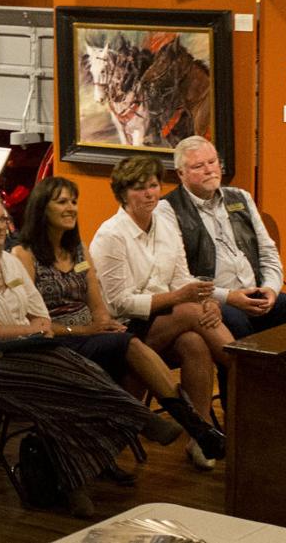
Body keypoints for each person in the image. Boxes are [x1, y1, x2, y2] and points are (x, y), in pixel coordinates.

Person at [0, 193, 184, 518]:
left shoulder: (7, 261)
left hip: (25, 355)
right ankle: (137, 419)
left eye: (1, 219)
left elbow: (39, 314)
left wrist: (32, 330)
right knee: (62, 383)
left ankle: (75, 482)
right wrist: (28, 330)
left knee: (67, 378)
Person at [14, 175, 226, 460]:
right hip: (59, 341)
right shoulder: (24, 255)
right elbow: (35, 324)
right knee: (133, 344)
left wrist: (102, 322)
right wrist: (88, 329)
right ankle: (187, 423)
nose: (71, 208)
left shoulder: (77, 249)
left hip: (94, 332)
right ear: (41, 208)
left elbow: (97, 302)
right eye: (62, 202)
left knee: (190, 342)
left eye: (74, 202)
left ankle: (122, 446)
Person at [89, 156, 237, 471]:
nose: (149, 194)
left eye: (154, 186)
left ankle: (200, 438)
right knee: (187, 311)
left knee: (194, 343)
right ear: (123, 194)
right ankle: (242, 367)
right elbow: (118, 303)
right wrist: (183, 298)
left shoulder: (166, 224)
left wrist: (206, 300)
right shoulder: (111, 235)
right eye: (139, 189)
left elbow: (182, 277)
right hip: (125, 329)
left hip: (170, 319)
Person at [158, 136, 286, 339]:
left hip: (256, 292)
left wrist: (271, 289)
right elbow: (178, 278)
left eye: (212, 162)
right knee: (237, 323)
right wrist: (229, 297)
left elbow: (268, 251)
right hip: (215, 301)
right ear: (181, 174)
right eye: (198, 166)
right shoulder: (167, 209)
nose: (209, 170)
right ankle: (240, 371)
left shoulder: (240, 197)